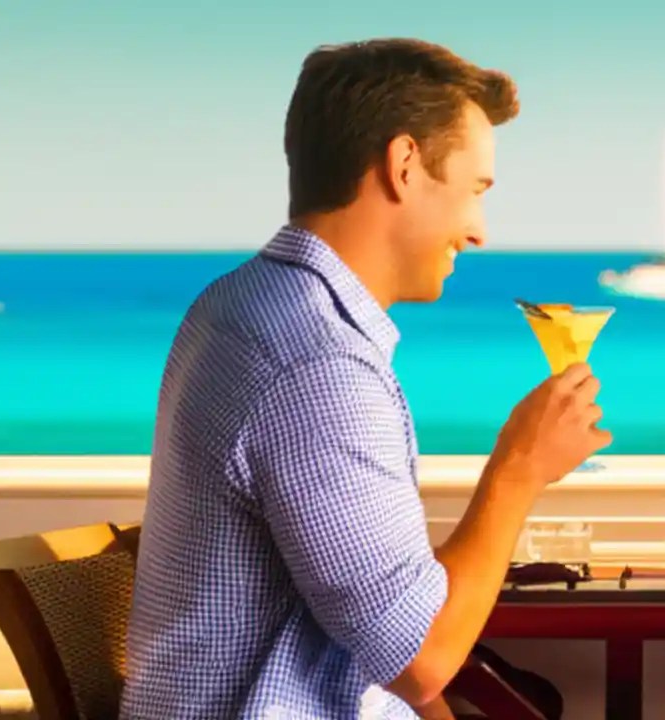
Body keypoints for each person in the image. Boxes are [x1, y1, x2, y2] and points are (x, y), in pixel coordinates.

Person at [121, 38, 610, 719]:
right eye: (475, 191)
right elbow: (424, 660)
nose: (479, 232)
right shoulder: (316, 361)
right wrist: (519, 469)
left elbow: (378, 641)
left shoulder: (238, 303)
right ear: (405, 165)